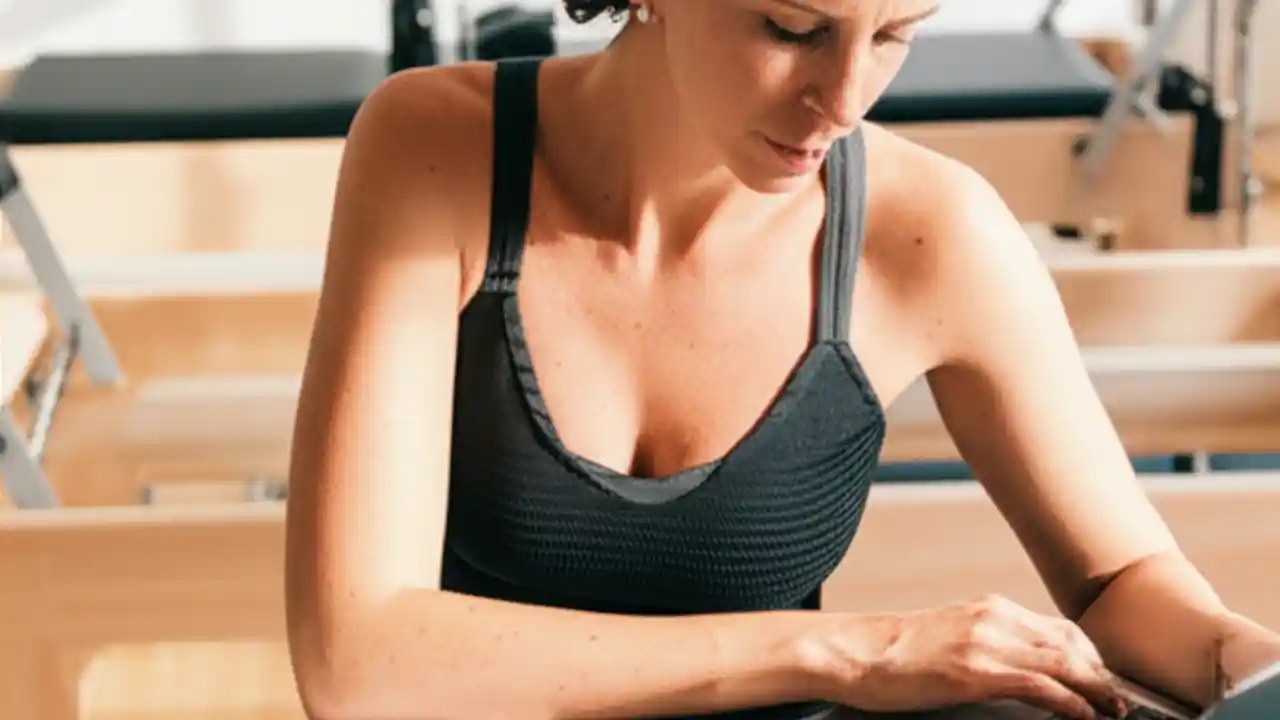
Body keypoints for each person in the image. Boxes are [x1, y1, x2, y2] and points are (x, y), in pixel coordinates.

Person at [282, 1, 1280, 718]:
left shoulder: (930, 230)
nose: (843, 98)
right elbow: (357, 665)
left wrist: (1249, 668)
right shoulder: (433, 150)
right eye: (792, 30)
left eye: (893, 34)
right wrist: (847, 653)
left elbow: (1119, 580)